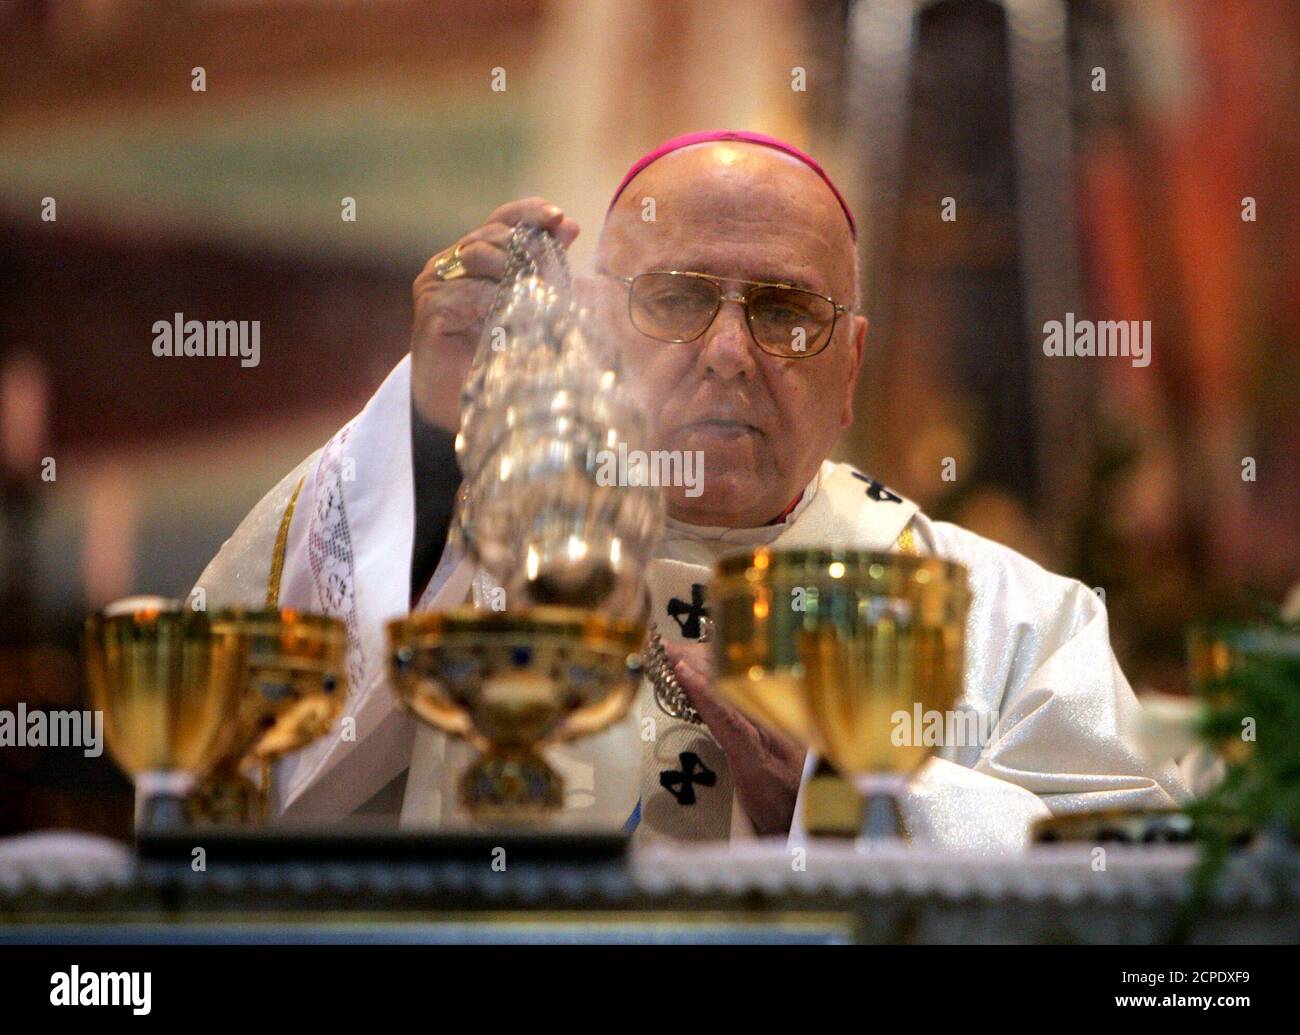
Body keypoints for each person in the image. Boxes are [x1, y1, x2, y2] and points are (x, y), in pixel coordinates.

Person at [195, 131, 1187, 848]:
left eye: (786, 311)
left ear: (849, 370)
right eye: (675, 299)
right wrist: (428, 430)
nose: (726, 354)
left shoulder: (1010, 621)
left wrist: (858, 799)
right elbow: (222, 744)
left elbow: (1131, 883)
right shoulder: (460, 549)